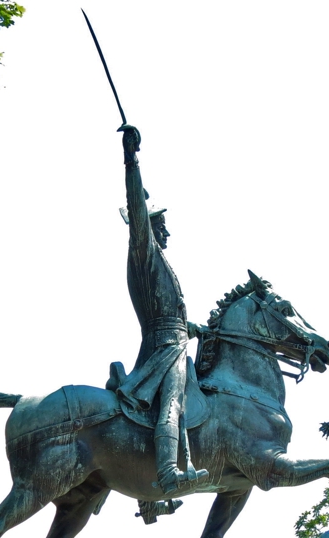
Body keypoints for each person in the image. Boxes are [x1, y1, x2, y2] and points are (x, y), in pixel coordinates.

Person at [113, 124, 207, 495]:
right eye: (161, 226)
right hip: (163, 349)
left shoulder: (160, 263)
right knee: (174, 400)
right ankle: (168, 470)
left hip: (176, 339)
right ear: (149, 228)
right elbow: (137, 209)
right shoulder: (143, 251)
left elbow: (171, 312)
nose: (166, 233)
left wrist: (196, 327)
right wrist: (131, 160)